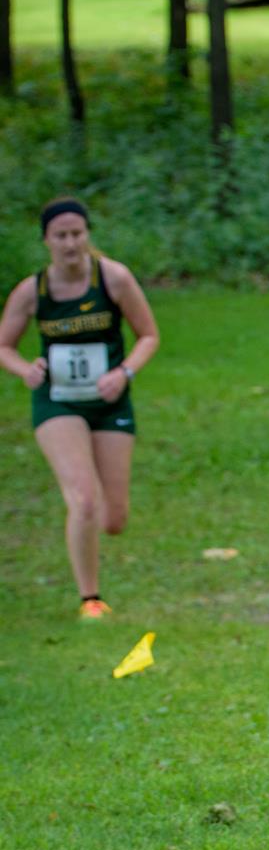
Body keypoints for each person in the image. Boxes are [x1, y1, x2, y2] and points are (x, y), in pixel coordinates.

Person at [0, 198, 160, 618]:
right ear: (46, 241)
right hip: (57, 401)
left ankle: (91, 536)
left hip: (109, 401)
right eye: (61, 236)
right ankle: (91, 598)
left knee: (113, 518)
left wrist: (124, 372)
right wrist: (25, 369)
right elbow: (4, 346)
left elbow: (148, 335)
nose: (70, 243)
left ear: (88, 235)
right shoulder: (32, 291)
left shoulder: (113, 278)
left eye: (77, 234)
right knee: (84, 499)